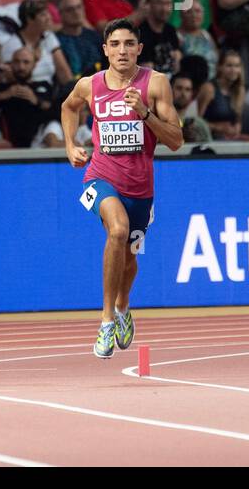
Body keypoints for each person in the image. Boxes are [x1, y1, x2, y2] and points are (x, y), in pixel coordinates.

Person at [61, 18, 183, 358]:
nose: (122, 50)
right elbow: (68, 107)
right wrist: (70, 145)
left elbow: (175, 140)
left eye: (129, 44)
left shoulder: (155, 84)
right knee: (117, 230)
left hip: (140, 188)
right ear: (105, 50)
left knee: (129, 260)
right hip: (100, 177)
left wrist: (144, 113)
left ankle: (122, 305)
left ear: (139, 49)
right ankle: (104, 321)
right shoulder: (90, 85)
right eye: (115, 44)